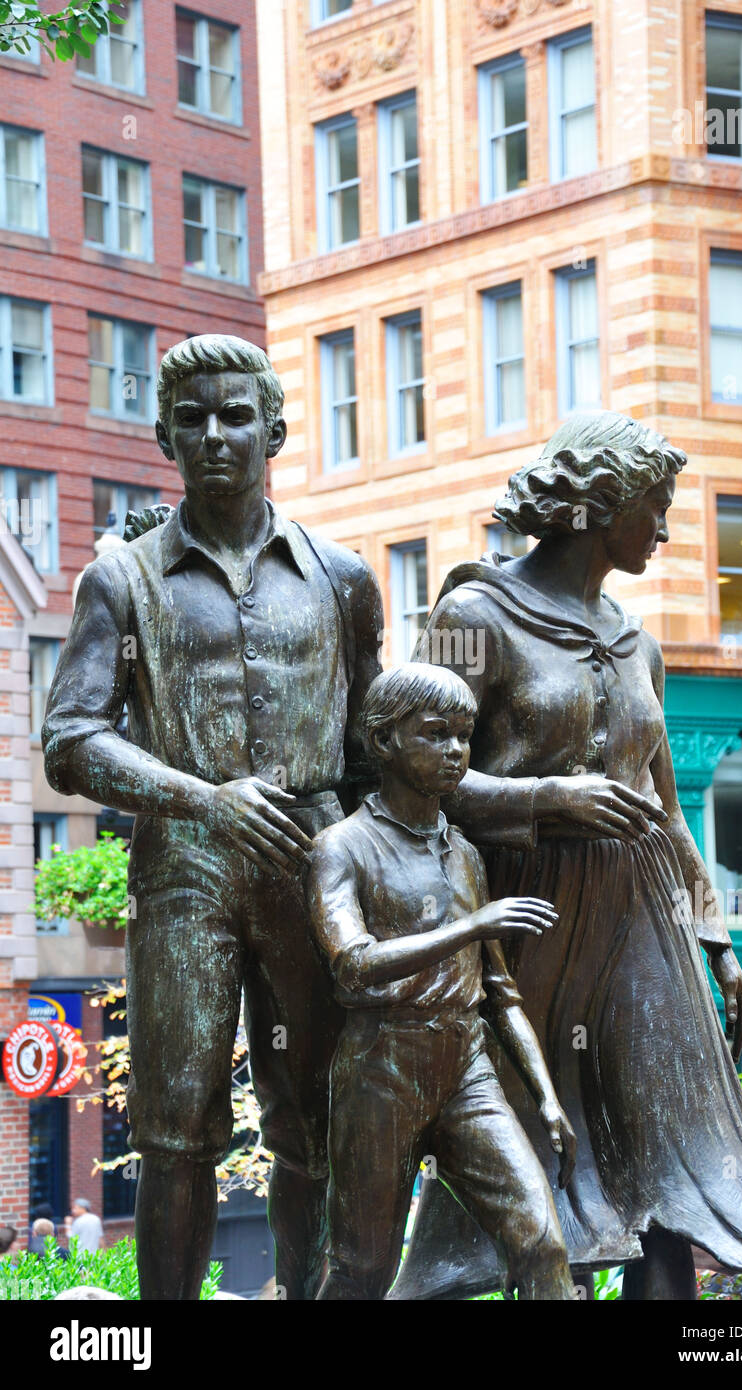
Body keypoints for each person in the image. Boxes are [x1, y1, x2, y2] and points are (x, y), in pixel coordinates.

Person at [394, 410, 742, 1300]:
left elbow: (667, 809)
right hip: (529, 909)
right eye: (657, 506)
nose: (666, 529)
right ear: (600, 507)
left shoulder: (637, 639)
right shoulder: (469, 612)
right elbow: (406, 769)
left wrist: (714, 937)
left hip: (641, 911)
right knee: (525, 1143)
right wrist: (542, 798)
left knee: (667, 1146)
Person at [42, 335, 384, 1301]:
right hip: (184, 869)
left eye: (236, 414)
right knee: (175, 1130)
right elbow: (69, 740)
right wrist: (201, 796)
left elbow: (370, 753)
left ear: (275, 428)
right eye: (190, 419)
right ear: (162, 436)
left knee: (316, 1120)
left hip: (316, 863)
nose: (215, 435)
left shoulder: (343, 578)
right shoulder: (121, 579)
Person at [306, 663, 578, 1300]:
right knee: (361, 1271)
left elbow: (500, 994)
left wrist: (545, 1095)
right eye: (436, 734)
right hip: (382, 1069)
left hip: (466, 1071)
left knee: (542, 1243)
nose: (457, 751)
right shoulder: (342, 847)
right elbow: (352, 963)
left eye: (465, 735)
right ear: (383, 743)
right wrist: (468, 927)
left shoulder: (465, 854)